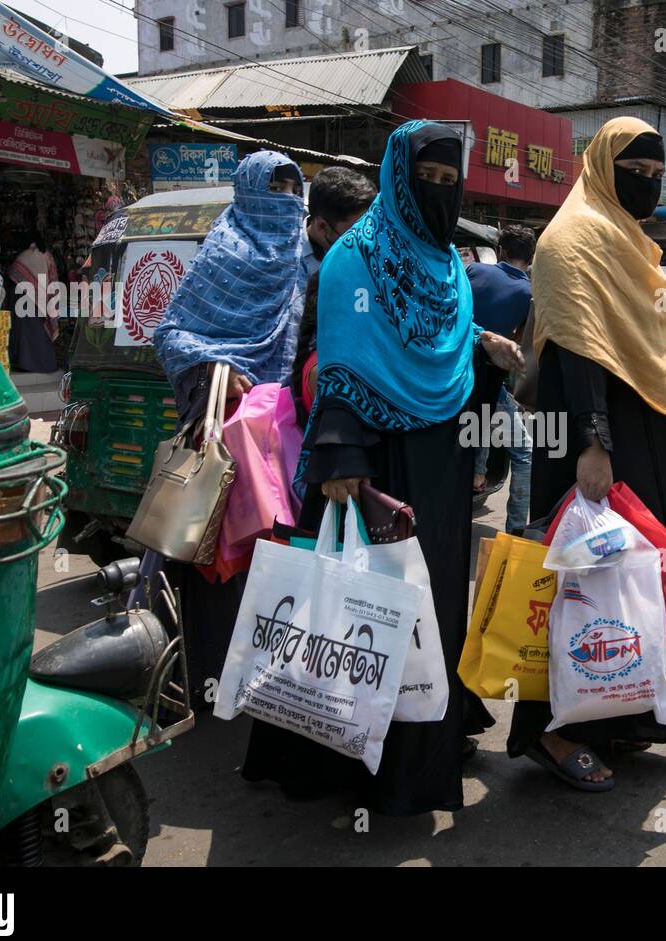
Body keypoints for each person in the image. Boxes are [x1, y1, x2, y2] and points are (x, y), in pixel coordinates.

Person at [240, 121, 523, 815]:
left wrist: (485, 360)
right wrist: (342, 457)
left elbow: (445, 360)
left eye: (449, 182)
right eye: (425, 180)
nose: (438, 193)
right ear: (399, 177)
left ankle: (421, 759)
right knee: (358, 616)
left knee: (428, 614)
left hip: (443, 469)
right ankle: (348, 764)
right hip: (372, 465)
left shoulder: (448, 266)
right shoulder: (354, 259)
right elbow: (335, 361)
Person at [506, 116, 666, 791]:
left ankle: (622, 710)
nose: (646, 186)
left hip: (645, 435)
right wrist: (594, 446)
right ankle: (554, 731)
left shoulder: (629, 240)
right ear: (602, 166)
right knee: (580, 584)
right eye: (636, 173)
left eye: (656, 177)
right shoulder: (571, 239)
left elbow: (652, 343)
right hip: (592, 438)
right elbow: (576, 347)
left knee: (647, 577)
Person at [147, 150, 312, 704]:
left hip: (283, 437)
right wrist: (217, 366)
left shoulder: (308, 255)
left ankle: (273, 677)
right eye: (276, 189)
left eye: (294, 188)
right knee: (212, 555)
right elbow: (171, 331)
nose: (287, 201)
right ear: (248, 192)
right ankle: (204, 675)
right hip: (220, 432)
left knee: (279, 552)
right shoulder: (220, 252)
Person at [292, 168, 378, 417]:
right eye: (355, 233)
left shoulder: (369, 264)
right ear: (322, 226)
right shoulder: (279, 260)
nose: (366, 242)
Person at [469, 224, 536, 533]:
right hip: (489, 381)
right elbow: (518, 344)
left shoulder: (473, 272)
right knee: (523, 453)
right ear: (531, 258)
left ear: (502, 252)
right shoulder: (529, 295)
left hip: (451, 375)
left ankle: (478, 472)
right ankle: (516, 532)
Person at [7, 233, 60, 373]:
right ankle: (47, 364)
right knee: (42, 334)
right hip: (43, 301)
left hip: (23, 299)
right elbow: (53, 280)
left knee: (26, 335)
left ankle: (27, 364)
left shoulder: (23, 256)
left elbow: (13, 274)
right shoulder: (47, 256)